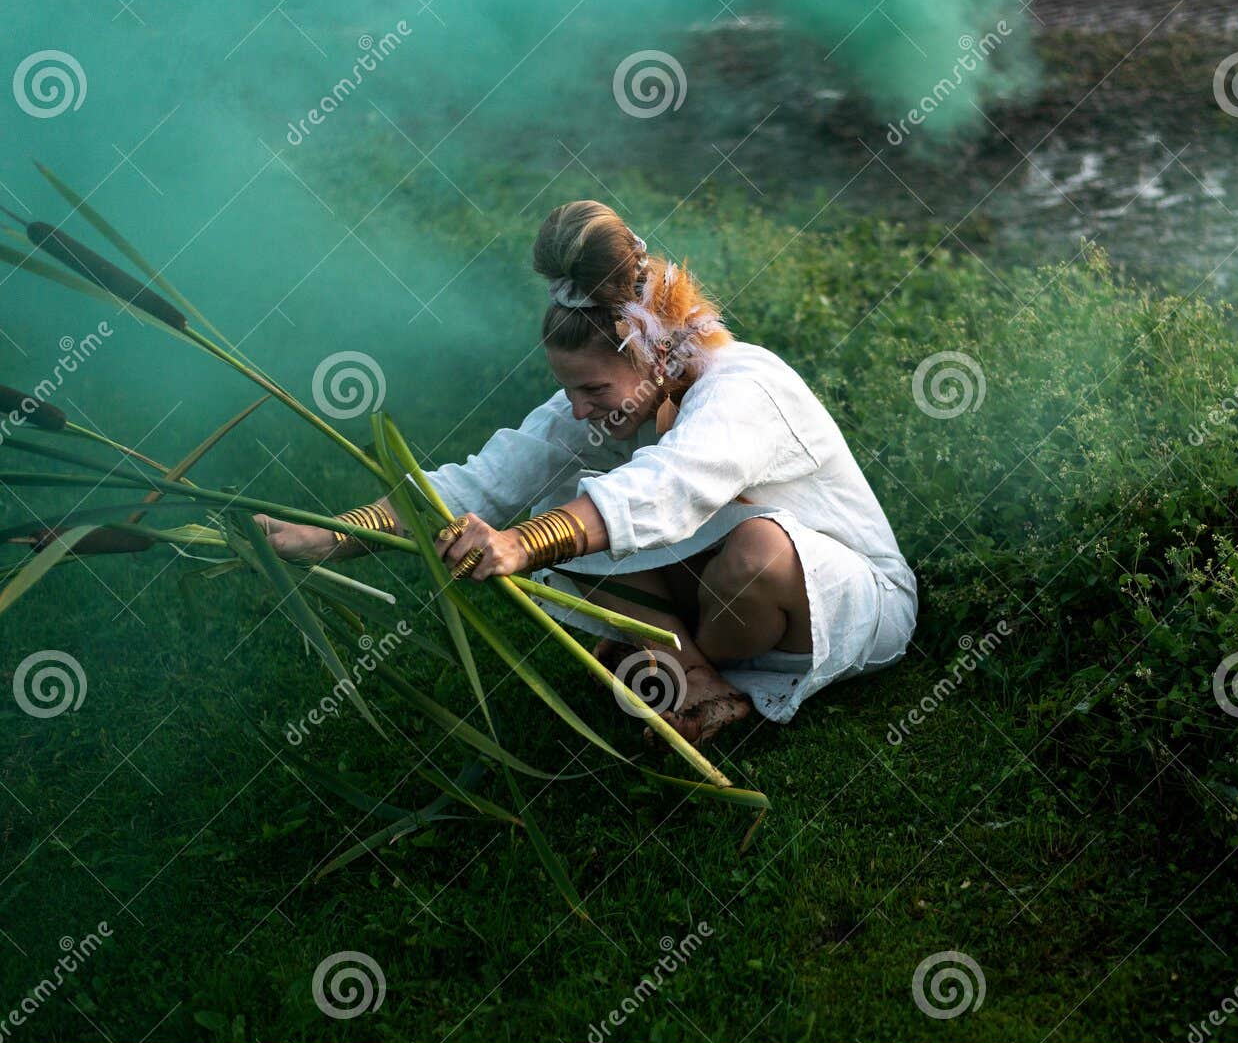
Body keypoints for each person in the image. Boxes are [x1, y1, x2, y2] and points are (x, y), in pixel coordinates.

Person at [257, 200, 916, 744]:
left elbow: (667, 484)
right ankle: (696, 681)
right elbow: (482, 481)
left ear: (652, 355)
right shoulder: (605, 406)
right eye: (569, 390)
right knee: (570, 517)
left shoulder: (744, 387)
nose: (579, 408)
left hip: (849, 607)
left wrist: (522, 540)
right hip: (731, 610)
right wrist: (332, 535)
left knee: (749, 545)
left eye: (594, 388)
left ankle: (662, 663)